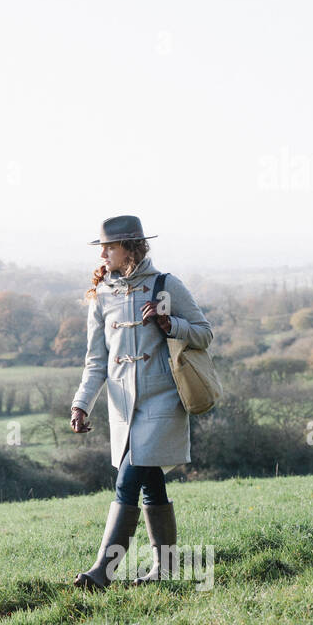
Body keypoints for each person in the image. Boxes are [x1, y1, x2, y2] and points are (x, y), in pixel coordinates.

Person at [69, 215, 213, 590]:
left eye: (110, 247)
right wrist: (81, 404)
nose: (103, 254)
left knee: (127, 479)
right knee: (151, 483)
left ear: (131, 247)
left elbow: (205, 334)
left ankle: (103, 570)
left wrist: (170, 325)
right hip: (121, 409)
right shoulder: (102, 296)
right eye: (102, 247)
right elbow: (96, 361)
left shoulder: (166, 285)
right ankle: (165, 570)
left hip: (163, 401)